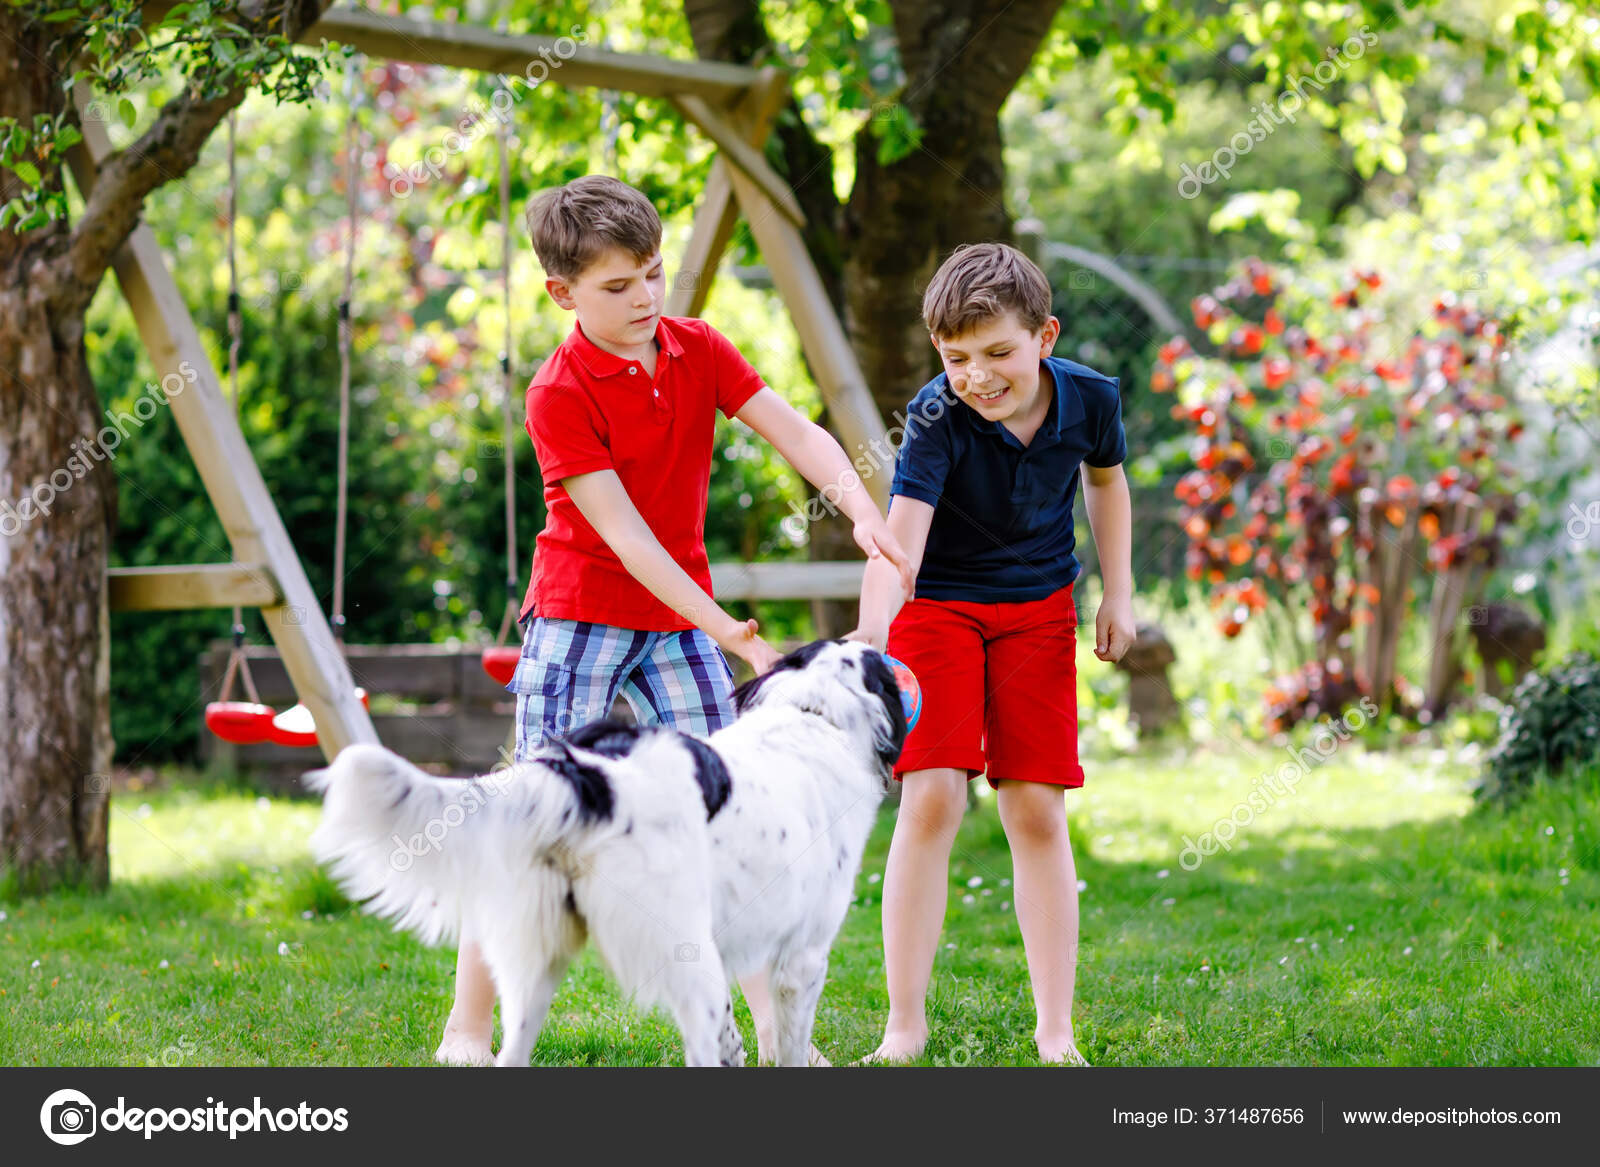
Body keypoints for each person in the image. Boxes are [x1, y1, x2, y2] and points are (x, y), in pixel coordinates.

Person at [435, 175, 914, 1068]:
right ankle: (469, 1028)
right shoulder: (558, 392)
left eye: (654, 275)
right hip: (584, 618)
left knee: (729, 813)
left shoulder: (698, 349)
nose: (646, 298)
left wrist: (859, 507)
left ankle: (776, 1037)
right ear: (563, 293)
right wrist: (728, 628)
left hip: (679, 620)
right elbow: (627, 541)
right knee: (533, 817)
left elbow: (798, 434)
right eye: (619, 286)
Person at [849, 241, 1135, 1065]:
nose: (976, 374)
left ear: (1044, 336)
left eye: (998, 352)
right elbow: (900, 541)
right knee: (932, 795)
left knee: (1037, 809)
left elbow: (1107, 481)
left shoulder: (1089, 399)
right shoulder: (938, 416)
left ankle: (1056, 1031)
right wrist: (873, 636)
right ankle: (904, 1026)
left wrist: (1117, 591)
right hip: (937, 610)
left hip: (1037, 611)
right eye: (956, 357)